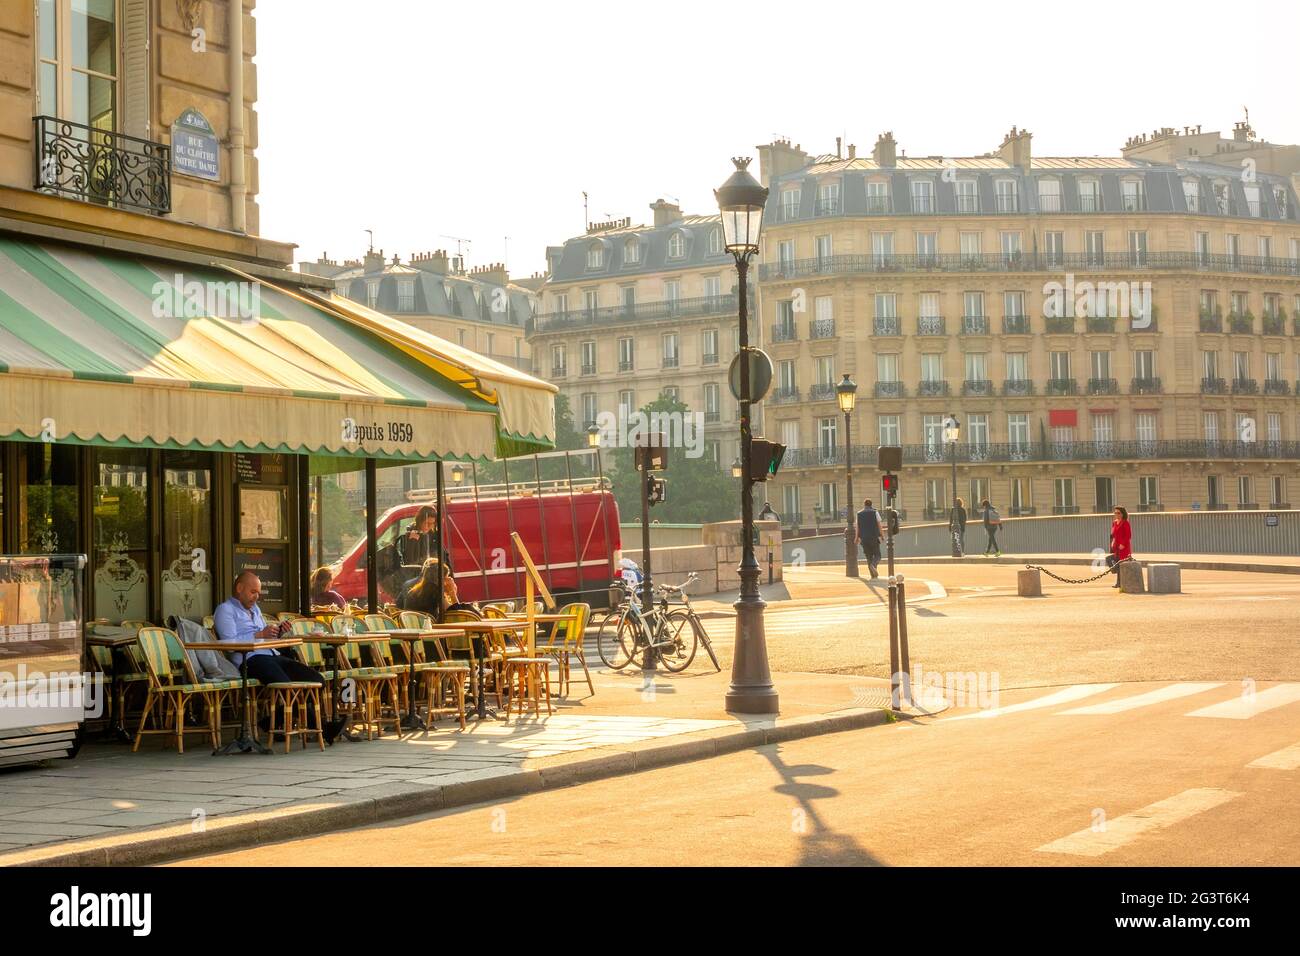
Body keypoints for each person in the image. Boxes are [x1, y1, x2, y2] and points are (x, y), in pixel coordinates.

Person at [213, 571, 341, 743]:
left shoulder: (255, 609)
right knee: (290, 687)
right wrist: (259, 635)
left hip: (271, 654)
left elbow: (265, 636)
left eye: (258, 592)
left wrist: (277, 631)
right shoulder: (225, 610)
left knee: (316, 680)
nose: (256, 597)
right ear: (239, 588)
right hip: (249, 660)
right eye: (253, 592)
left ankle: (270, 722)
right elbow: (228, 644)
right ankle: (324, 729)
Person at [855, 498, 884, 579]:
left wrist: (856, 538)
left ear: (864, 505)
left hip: (864, 539)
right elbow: (879, 525)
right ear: (871, 505)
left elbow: (857, 527)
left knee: (868, 557)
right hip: (874, 537)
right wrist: (882, 535)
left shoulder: (859, 514)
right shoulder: (875, 512)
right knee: (878, 555)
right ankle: (874, 565)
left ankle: (873, 575)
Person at [1107, 506, 1132, 589]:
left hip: (1123, 548)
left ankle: (1119, 583)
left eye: (1118, 513)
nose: (1116, 514)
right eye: (1115, 513)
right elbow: (1112, 535)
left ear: (1122, 514)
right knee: (1109, 559)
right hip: (1116, 547)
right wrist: (1112, 543)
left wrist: (1123, 544)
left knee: (1120, 564)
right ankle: (1118, 580)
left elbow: (1128, 535)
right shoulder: (1114, 522)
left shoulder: (1125, 523)